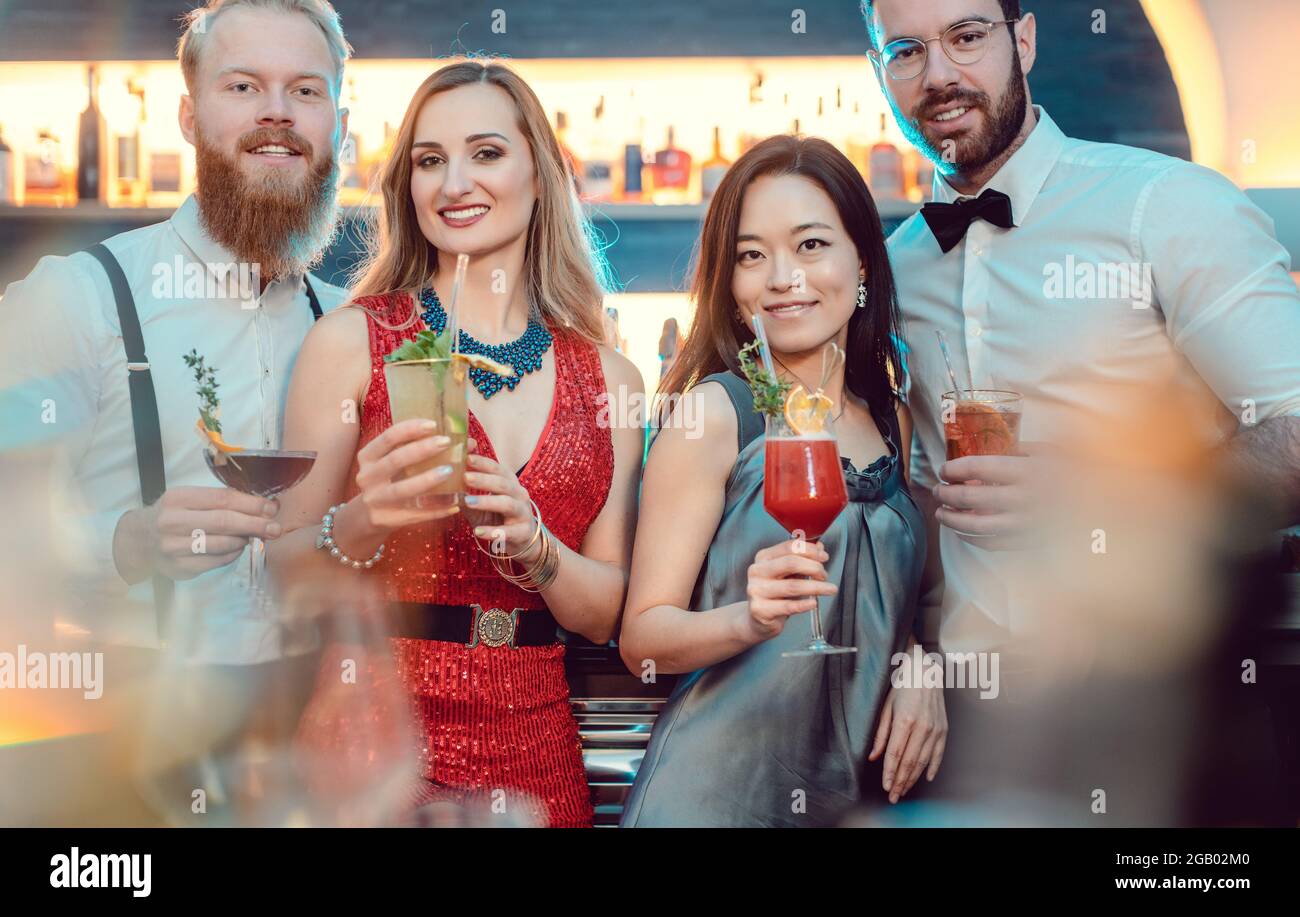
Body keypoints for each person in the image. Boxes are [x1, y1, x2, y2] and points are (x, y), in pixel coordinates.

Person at [862, 0, 1300, 796]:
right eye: (905, 50)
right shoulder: (894, 270)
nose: (941, 75)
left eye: (966, 36)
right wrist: (910, 650)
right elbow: (918, 509)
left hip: (1168, 710)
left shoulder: (1167, 206)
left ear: (1023, 39)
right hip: (970, 730)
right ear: (878, 73)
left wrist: (1094, 495)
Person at [269, 60, 644, 828]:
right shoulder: (351, 343)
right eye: (429, 161)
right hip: (374, 738)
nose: (452, 184)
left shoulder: (613, 378)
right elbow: (280, 572)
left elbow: (605, 611)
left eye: (486, 153)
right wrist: (366, 518)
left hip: (537, 744)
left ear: (539, 175)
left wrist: (538, 548)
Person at [0, 0, 352, 666]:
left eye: (305, 90)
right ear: (189, 119)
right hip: (125, 730)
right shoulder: (78, 295)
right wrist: (124, 541)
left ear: (338, 124)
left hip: (314, 723)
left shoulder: (348, 323)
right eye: (243, 86)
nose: (277, 112)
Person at [618, 135, 946, 828]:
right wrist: (751, 617)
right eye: (751, 254)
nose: (782, 277)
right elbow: (642, 639)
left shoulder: (892, 418)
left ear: (862, 261)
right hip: (714, 798)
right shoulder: (716, 414)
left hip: (855, 800)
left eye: (810, 245)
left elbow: (888, 597)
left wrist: (920, 664)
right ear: (732, 288)